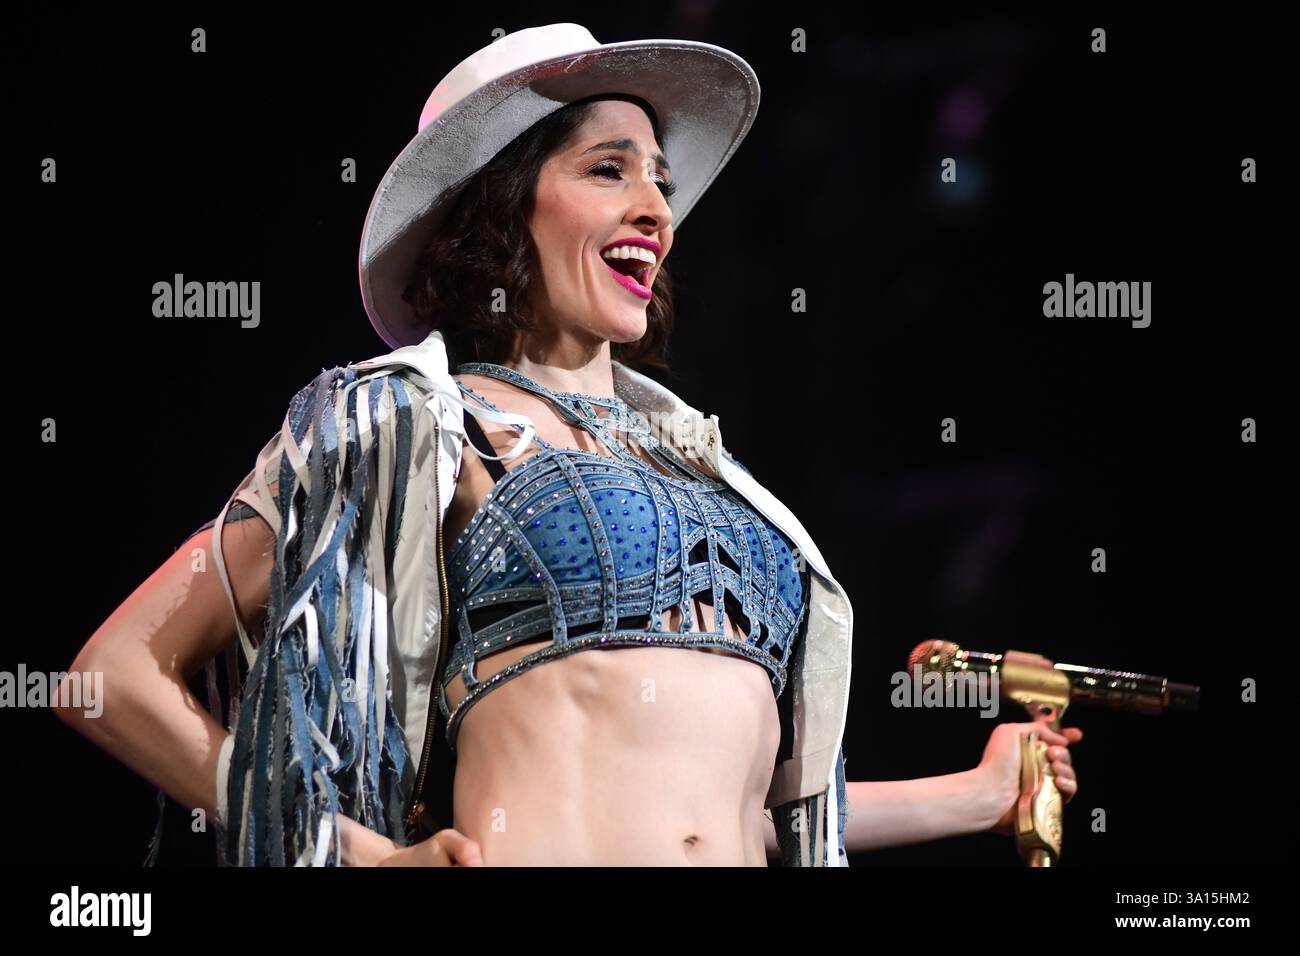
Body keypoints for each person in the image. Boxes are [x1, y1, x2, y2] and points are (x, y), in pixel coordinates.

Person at [56, 23, 1079, 867]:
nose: (656, 210)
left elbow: (754, 814)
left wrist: (981, 792)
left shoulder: (710, 474)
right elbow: (109, 674)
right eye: (608, 170)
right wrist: (359, 853)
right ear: (502, 205)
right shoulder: (414, 422)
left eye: (661, 183)